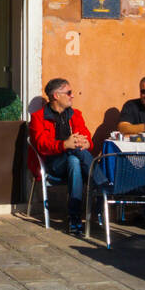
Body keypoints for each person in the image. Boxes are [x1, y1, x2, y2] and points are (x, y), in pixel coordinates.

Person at [27, 78, 96, 235]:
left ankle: (74, 218)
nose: (72, 96)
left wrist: (86, 143)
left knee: (73, 160)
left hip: (73, 163)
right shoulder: (38, 117)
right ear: (56, 95)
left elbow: (85, 135)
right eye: (69, 93)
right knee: (74, 155)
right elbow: (41, 145)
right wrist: (64, 145)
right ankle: (99, 179)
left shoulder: (75, 114)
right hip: (52, 164)